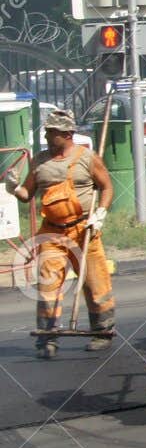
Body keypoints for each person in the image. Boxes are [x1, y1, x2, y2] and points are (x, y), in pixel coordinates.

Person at [5, 109, 116, 354]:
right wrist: (14, 188)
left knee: (95, 283)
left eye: (51, 132)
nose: (46, 135)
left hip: (84, 230)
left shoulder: (87, 158)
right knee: (48, 286)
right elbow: (27, 195)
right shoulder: (40, 161)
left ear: (67, 134)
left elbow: (106, 187)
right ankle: (47, 338)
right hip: (52, 234)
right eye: (46, 131)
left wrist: (100, 214)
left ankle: (102, 332)